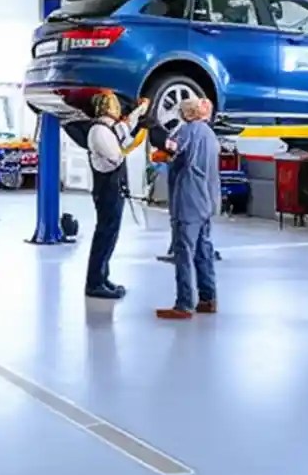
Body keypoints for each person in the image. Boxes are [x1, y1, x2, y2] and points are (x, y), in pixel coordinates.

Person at [156, 98, 221, 320]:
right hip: (206, 200)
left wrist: (159, 143)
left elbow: (171, 150)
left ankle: (183, 304)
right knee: (204, 251)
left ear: (187, 114)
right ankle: (208, 298)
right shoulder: (210, 135)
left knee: (183, 253)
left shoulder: (187, 131)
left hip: (187, 200)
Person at [85, 91, 149, 300]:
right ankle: (95, 283)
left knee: (111, 235)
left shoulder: (109, 128)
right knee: (104, 235)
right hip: (106, 191)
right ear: (109, 107)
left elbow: (127, 125)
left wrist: (141, 109)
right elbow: (115, 157)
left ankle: (103, 277)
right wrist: (131, 146)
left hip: (114, 189)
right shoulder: (99, 131)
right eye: (116, 104)